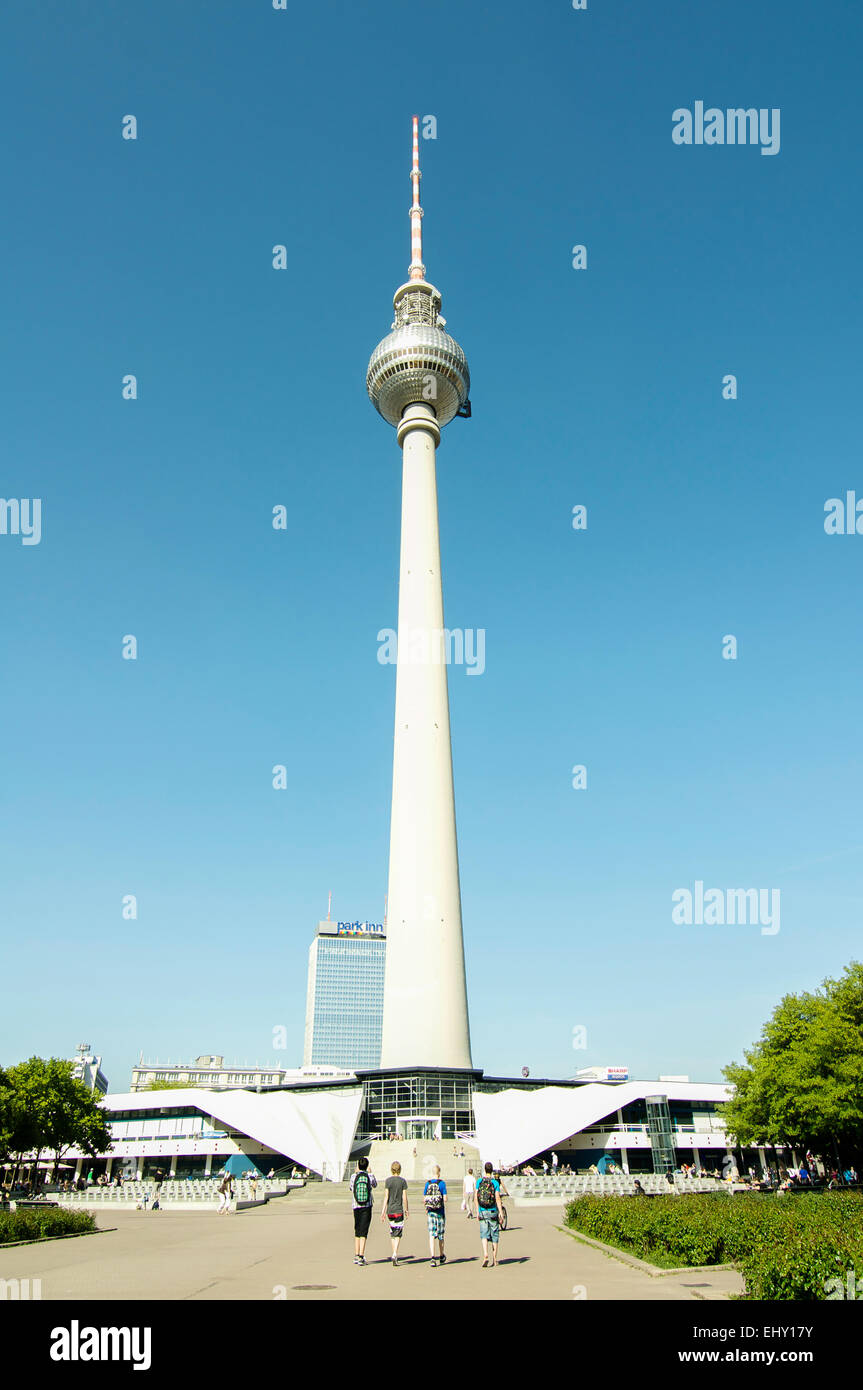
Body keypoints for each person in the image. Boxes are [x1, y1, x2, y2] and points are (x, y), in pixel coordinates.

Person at [476, 1161, 504, 1268]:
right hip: (493, 1211)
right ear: (492, 1170)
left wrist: (478, 1211)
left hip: (482, 1210)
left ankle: (485, 1254)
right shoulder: (495, 1183)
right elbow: (497, 1198)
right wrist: (501, 1213)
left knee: (484, 1234)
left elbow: (476, 1197)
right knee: (495, 1234)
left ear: (484, 1170)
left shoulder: (479, 1181)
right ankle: (495, 1258)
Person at [350, 1157, 377, 1265]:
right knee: (364, 1230)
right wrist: (370, 1173)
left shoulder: (353, 1176)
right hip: (367, 1205)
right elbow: (375, 1185)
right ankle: (361, 1255)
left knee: (357, 1229)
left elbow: (351, 1188)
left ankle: (356, 1255)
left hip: (356, 1205)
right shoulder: (369, 1176)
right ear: (367, 1166)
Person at [382, 1161, 409, 1265]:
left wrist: (383, 1211)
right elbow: (404, 1197)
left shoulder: (388, 1181)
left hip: (390, 1211)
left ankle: (394, 1253)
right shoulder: (402, 1181)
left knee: (392, 1232)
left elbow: (386, 1197)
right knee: (398, 1233)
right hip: (398, 1210)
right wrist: (406, 1209)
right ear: (400, 1170)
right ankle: (394, 1253)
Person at [424, 1164, 447, 1266]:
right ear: (439, 1173)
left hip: (430, 1212)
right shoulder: (442, 1184)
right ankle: (441, 1255)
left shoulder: (427, 1184)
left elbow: (424, 1199)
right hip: (440, 1212)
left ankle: (433, 1257)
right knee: (440, 1235)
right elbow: (445, 1199)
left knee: (431, 1234)